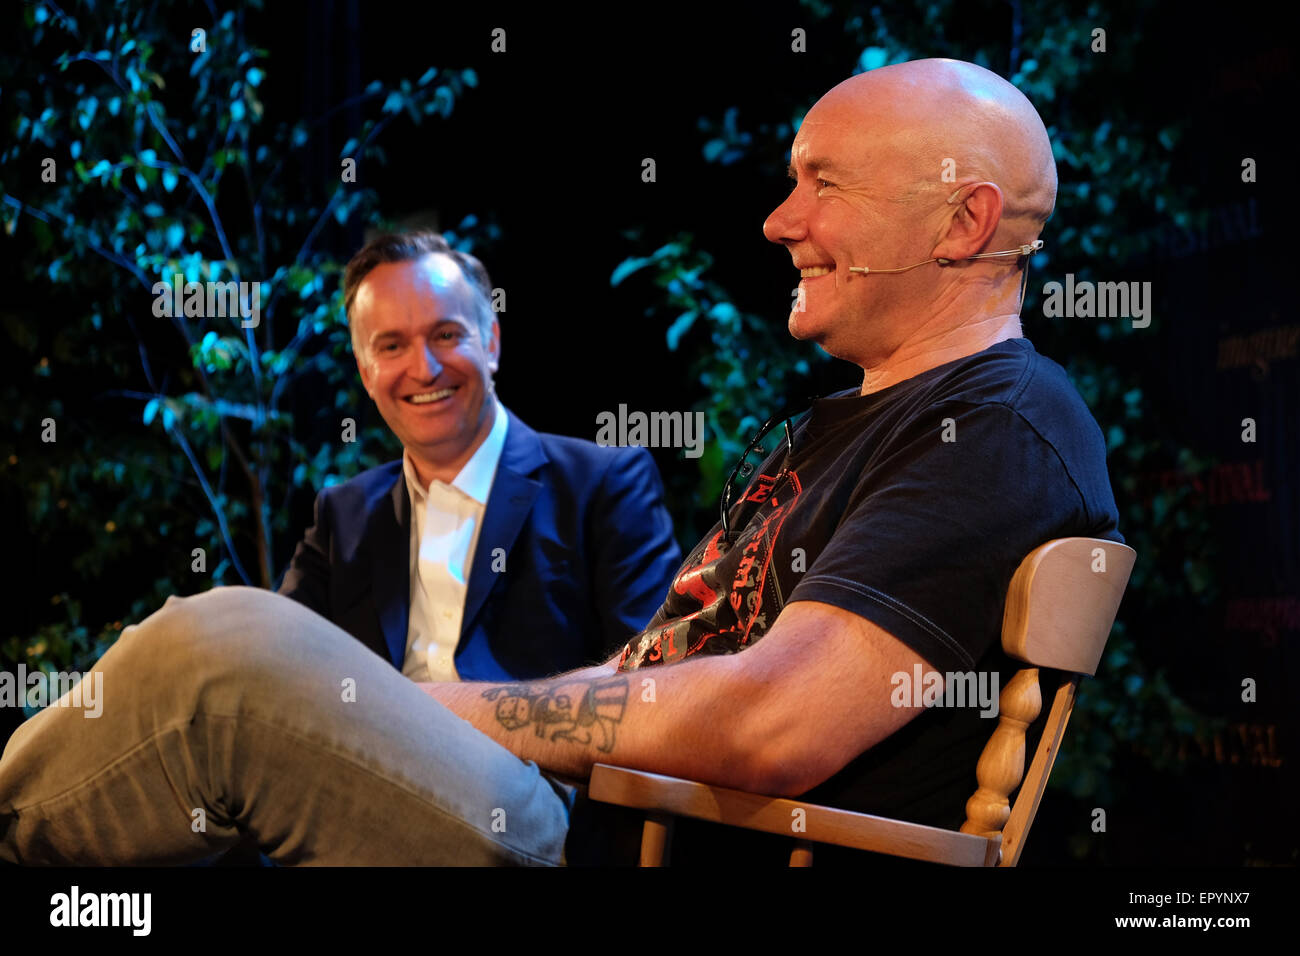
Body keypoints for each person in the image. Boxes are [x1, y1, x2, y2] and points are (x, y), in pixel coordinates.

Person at [0, 58, 1122, 867]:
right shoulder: (835, 425)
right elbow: (656, 666)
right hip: (585, 807)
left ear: (961, 220)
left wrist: (435, 708)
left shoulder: (994, 422)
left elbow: (767, 723)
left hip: (619, 834)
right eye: (792, 181)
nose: (779, 220)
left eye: (822, 184)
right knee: (199, 687)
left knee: (219, 650)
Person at [276, 231, 681, 682]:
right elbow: (276, 667)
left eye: (446, 335)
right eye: (391, 346)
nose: (425, 369)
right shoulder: (341, 516)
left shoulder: (603, 485)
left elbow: (654, 678)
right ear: (365, 371)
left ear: (491, 343)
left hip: (530, 751)